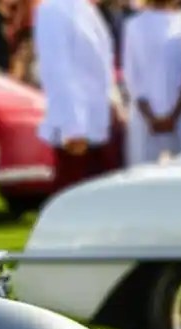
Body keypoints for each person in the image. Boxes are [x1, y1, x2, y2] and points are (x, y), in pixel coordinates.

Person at [34, 0, 122, 192]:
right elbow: (56, 70)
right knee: (72, 196)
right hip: (76, 128)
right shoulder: (52, 10)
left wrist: (114, 104)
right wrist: (72, 127)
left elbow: (103, 66)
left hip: (100, 121)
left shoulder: (87, 10)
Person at [121, 0, 181, 166]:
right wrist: (151, 118)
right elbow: (132, 76)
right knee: (142, 177)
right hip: (146, 121)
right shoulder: (133, 25)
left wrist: (173, 116)